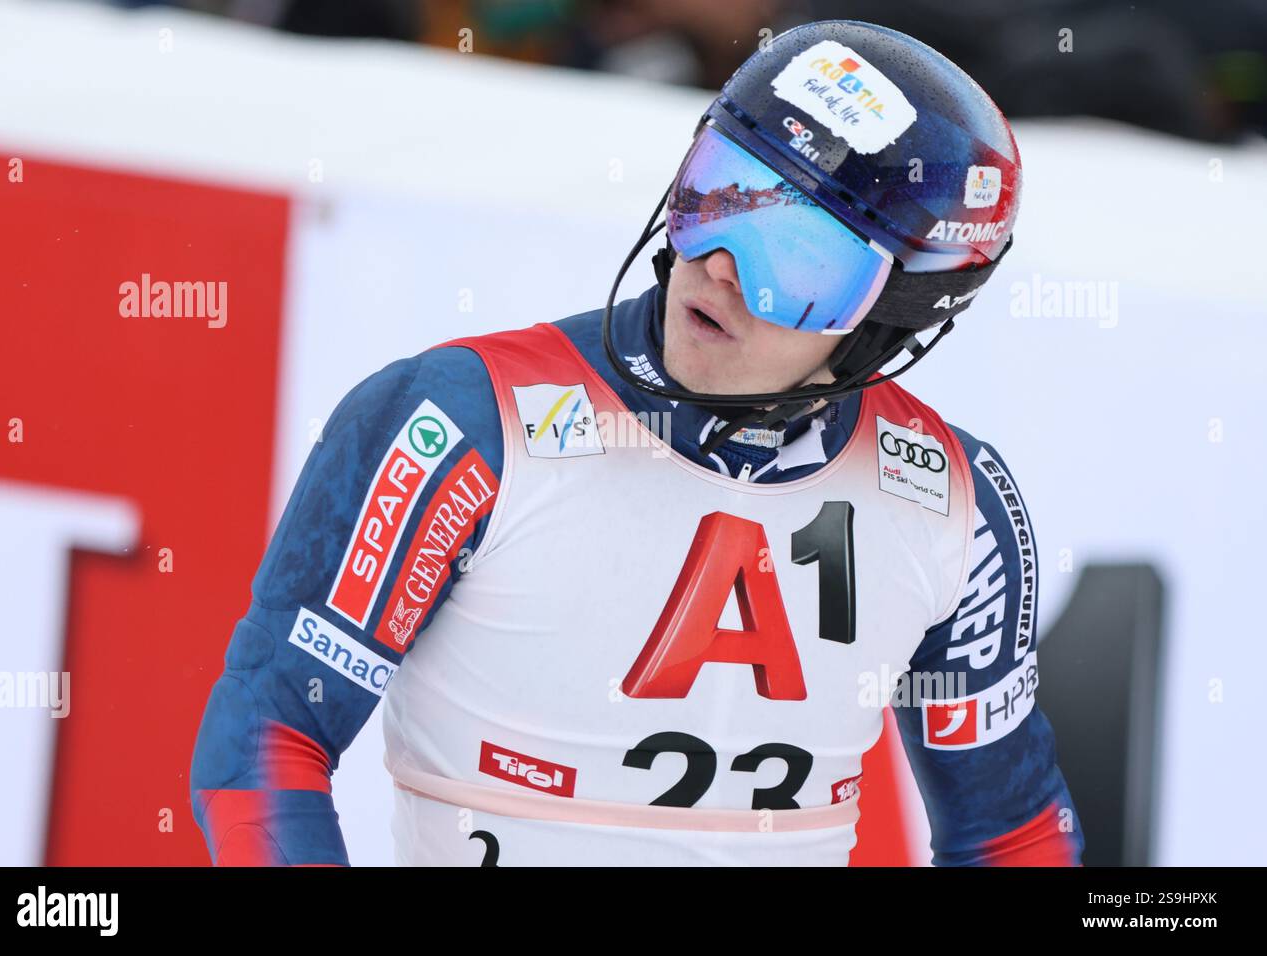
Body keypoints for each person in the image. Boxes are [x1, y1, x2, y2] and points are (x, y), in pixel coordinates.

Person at [191, 19, 1083, 866]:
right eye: (718, 194)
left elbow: (1010, 837)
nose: (722, 265)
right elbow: (269, 731)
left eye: (800, 259)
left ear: (890, 317)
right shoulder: (462, 422)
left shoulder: (954, 504)